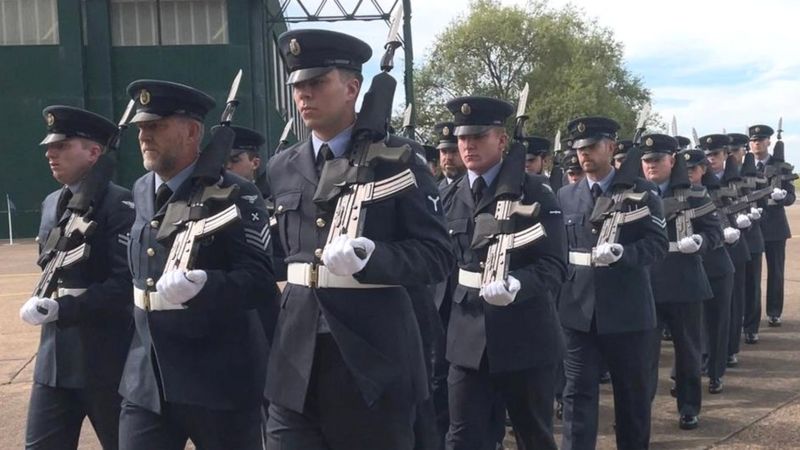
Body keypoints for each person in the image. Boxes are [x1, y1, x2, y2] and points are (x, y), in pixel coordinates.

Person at [264, 29, 453, 449]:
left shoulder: (398, 158)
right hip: (295, 358)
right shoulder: (283, 166)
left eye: (316, 83)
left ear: (352, 88)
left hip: (371, 357)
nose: (304, 95)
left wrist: (373, 257)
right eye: (298, 85)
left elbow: (437, 254)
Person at [117, 80, 275, 450]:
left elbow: (259, 279)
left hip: (217, 380)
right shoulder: (141, 189)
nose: (144, 136)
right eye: (141, 127)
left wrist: (206, 284)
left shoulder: (235, 193)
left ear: (192, 131)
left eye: (155, 126)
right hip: (148, 378)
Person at [442, 96, 566, 450]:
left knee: (534, 437)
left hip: (525, 335)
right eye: (463, 138)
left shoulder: (536, 191)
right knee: (463, 439)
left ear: (501, 140)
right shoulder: (449, 196)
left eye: (478, 137)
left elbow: (555, 264)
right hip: (467, 338)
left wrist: (518, 283)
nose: (467, 145)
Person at [19, 106, 134, 450]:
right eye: (49, 147)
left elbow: (124, 284)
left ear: (94, 152)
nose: (51, 153)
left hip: (104, 360)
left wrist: (63, 308)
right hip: (54, 360)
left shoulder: (119, 204)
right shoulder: (52, 202)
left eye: (63, 146)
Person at [557, 116, 667, 450]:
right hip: (578, 311)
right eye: (579, 149)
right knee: (577, 396)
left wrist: (624, 253)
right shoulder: (565, 195)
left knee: (632, 398)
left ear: (611, 147)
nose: (584, 155)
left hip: (627, 310)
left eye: (591, 147)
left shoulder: (642, 192)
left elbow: (658, 245)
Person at [640, 134, 720, 430]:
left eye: (657, 160)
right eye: (646, 161)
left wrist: (700, 240)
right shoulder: (632, 195)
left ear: (671, 161)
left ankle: (688, 406)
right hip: (646, 284)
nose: (651, 166)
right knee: (643, 357)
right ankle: (639, 411)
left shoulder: (695, 193)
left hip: (684, 282)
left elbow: (714, 231)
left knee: (688, 352)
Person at [749, 124, 796, 327]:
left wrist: (783, 196)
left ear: (769, 142)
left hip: (776, 227)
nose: (756, 143)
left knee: (775, 272)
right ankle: (751, 316)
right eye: (753, 140)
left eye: (760, 140)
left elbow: (792, 196)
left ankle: (774, 311)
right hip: (752, 227)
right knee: (752, 276)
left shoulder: (782, 166)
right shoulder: (745, 168)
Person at [728, 133, 764, 366]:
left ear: (744, 152)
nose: (733, 154)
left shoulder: (754, 174)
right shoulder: (717, 177)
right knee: (733, 293)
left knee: (751, 285)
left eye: (736, 151)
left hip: (751, 237)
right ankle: (731, 334)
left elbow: (765, 196)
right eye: (729, 151)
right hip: (729, 239)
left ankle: (751, 326)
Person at [435, 121, 467, 189]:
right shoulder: (434, 190)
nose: (448, 157)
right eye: (444, 151)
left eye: (454, 151)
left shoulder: (475, 188)